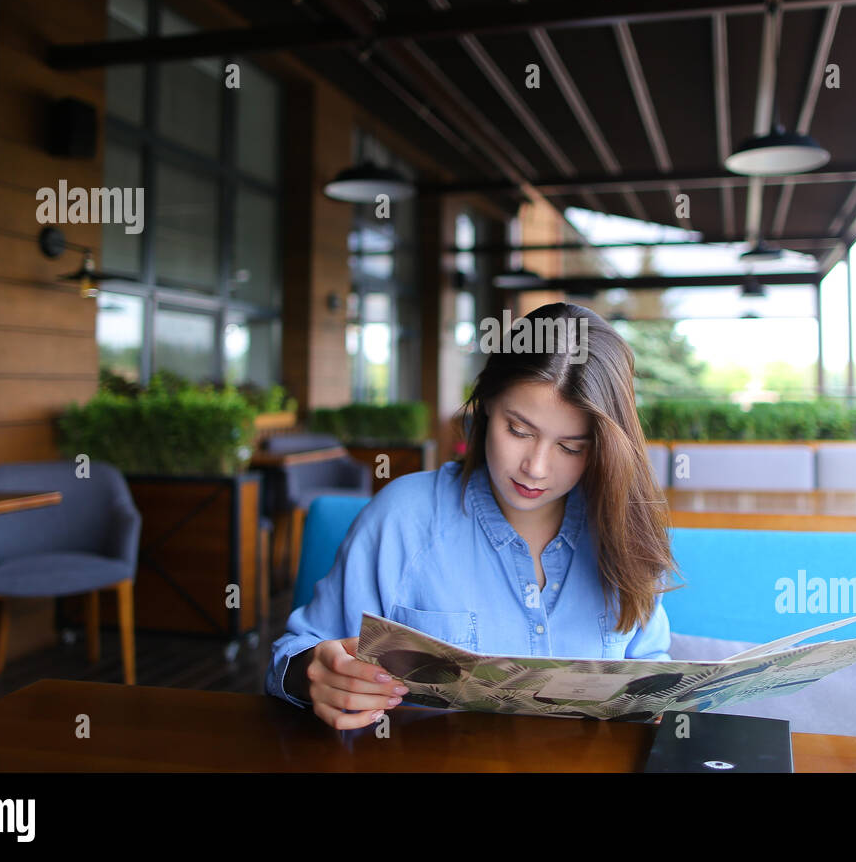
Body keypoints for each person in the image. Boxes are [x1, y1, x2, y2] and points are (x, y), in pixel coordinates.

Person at [266, 302, 678, 729]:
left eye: (571, 447)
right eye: (518, 430)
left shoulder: (623, 529)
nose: (535, 468)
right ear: (485, 406)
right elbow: (295, 656)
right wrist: (310, 674)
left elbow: (649, 663)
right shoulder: (405, 518)